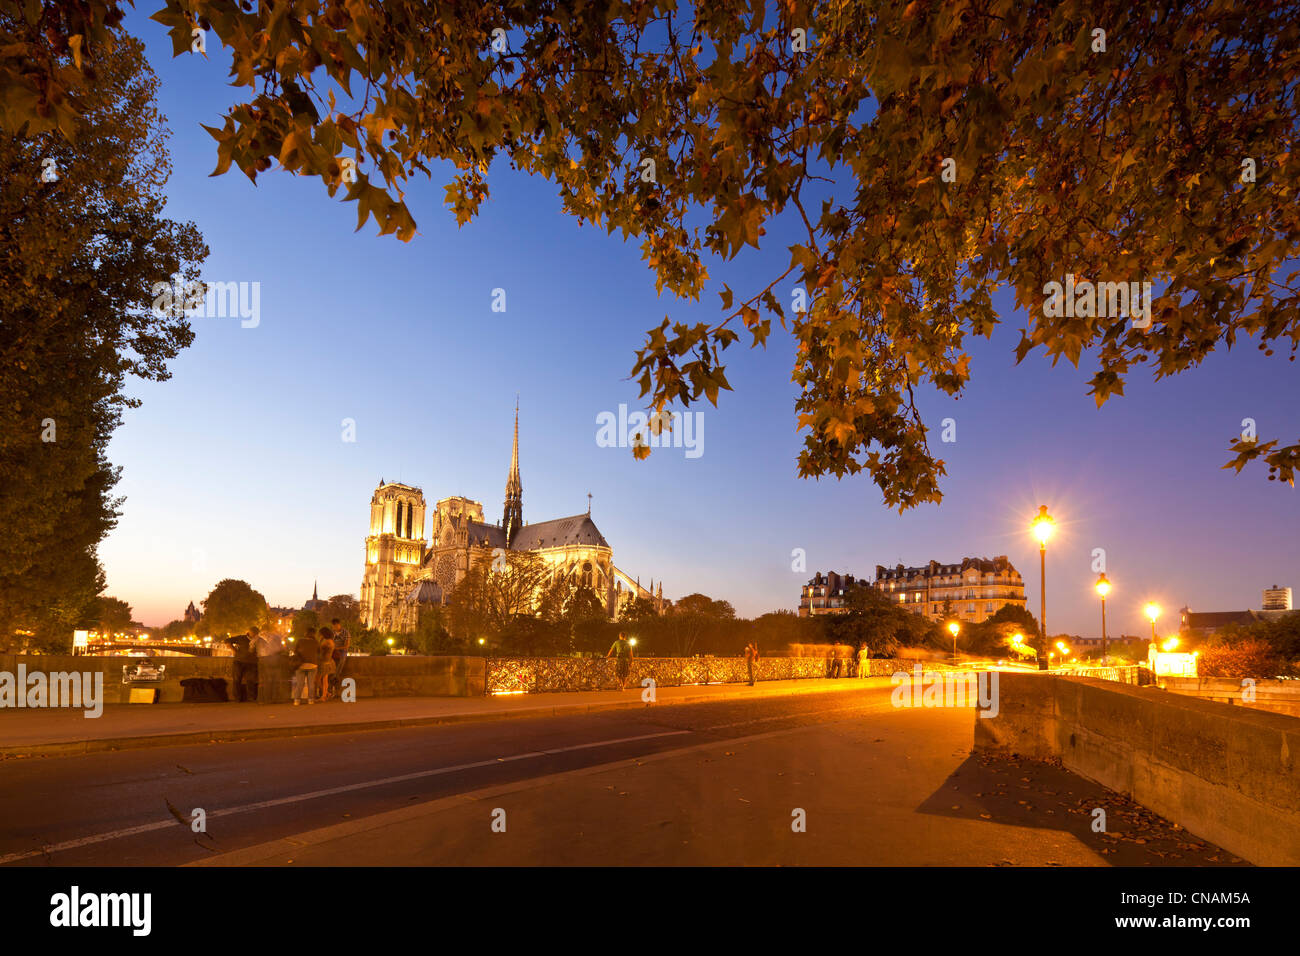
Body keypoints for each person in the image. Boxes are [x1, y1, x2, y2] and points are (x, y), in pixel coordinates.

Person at [226, 632, 258, 702]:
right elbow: (227, 641)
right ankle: (237, 698)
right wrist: (234, 650)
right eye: (255, 633)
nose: (256, 635)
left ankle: (251, 697)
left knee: (250, 681)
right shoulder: (241, 638)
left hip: (251, 663)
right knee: (237, 680)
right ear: (250, 633)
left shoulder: (257, 639)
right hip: (239, 661)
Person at [291, 628, 320, 705]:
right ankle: (310, 700)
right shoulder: (316, 642)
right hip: (312, 665)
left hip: (301, 665)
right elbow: (319, 652)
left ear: (305, 633)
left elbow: (295, 651)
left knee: (300, 683)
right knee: (311, 684)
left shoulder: (300, 641)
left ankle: (297, 700)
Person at [329, 617, 351, 698]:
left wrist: (337, 648)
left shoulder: (346, 632)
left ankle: (331, 687)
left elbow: (347, 646)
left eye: (335, 626)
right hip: (333, 652)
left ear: (339, 624)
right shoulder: (332, 632)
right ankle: (331, 687)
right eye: (333, 626)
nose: (334, 628)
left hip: (341, 652)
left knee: (338, 667)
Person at [316, 626, 336, 701]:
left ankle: (324, 695)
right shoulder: (330, 641)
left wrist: (320, 641)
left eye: (320, 633)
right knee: (324, 679)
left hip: (325, 662)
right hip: (327, 662)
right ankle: (326, 693)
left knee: (319, 679)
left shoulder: (327, 642)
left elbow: (320, 650)